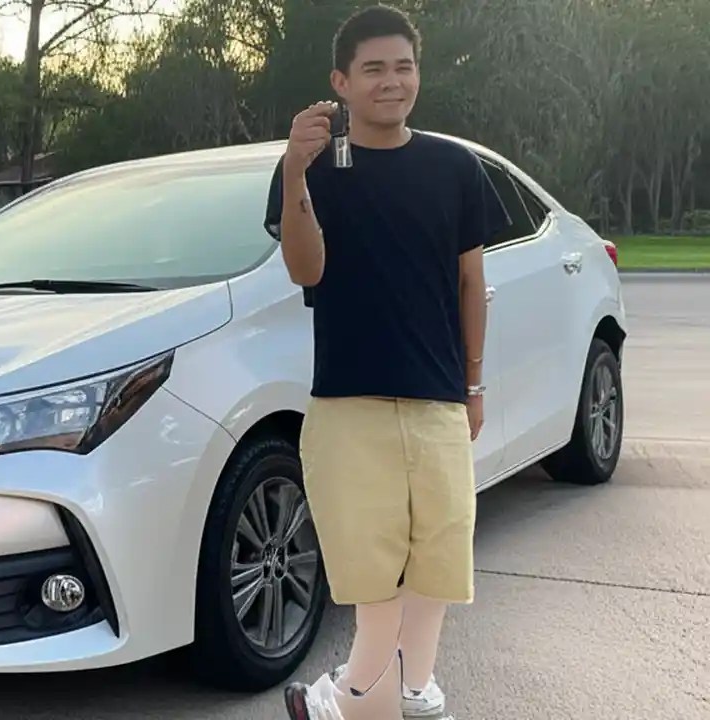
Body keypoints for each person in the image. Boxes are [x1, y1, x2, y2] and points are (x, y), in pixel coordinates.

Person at [262, 5, 511, 720]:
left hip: (436, 396)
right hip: (348, 399)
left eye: (403, 67)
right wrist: (296, 171)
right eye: (373, 69)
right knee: (374, 577)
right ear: (341, 82)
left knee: (436, 564)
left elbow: (471, 282)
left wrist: (474, 382)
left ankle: (378, 693)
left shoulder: (453, 166)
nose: (391, 81)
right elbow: (307, 270)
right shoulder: (310, 169)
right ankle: (376, 699)